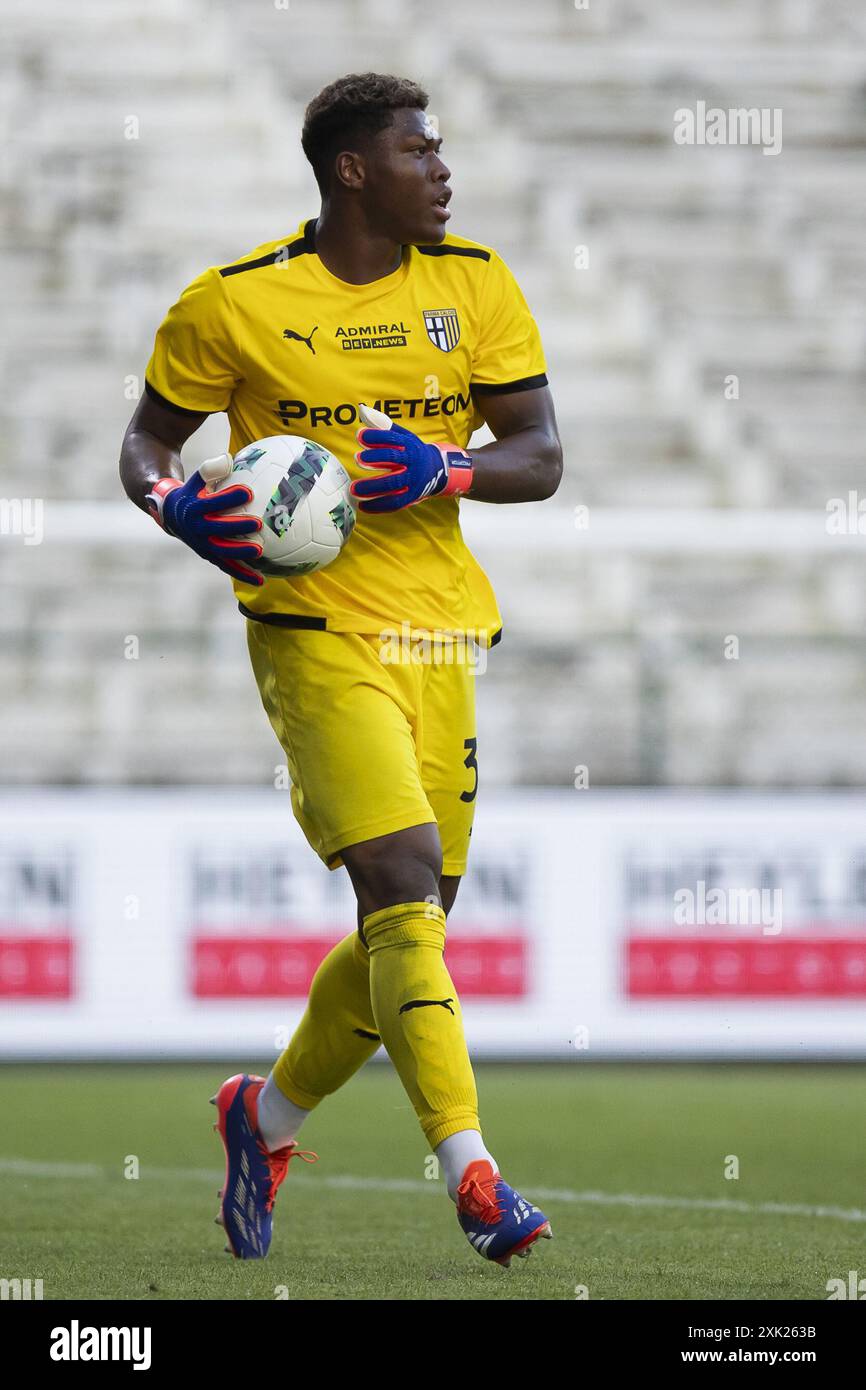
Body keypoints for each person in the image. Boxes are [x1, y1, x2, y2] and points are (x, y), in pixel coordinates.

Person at [120, 72, 563, 1268]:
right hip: (312, 635)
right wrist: (174, 505)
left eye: (441, 149)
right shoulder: (234, 302)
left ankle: (258, 1120)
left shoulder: (473, 283)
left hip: (439, 635)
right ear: (353, 169)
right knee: (404, 882)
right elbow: (148, 442)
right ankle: (473, 1173)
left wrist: (446, 470)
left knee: (406, 925)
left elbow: (538, 453)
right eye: (420, 150)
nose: (442, 168)